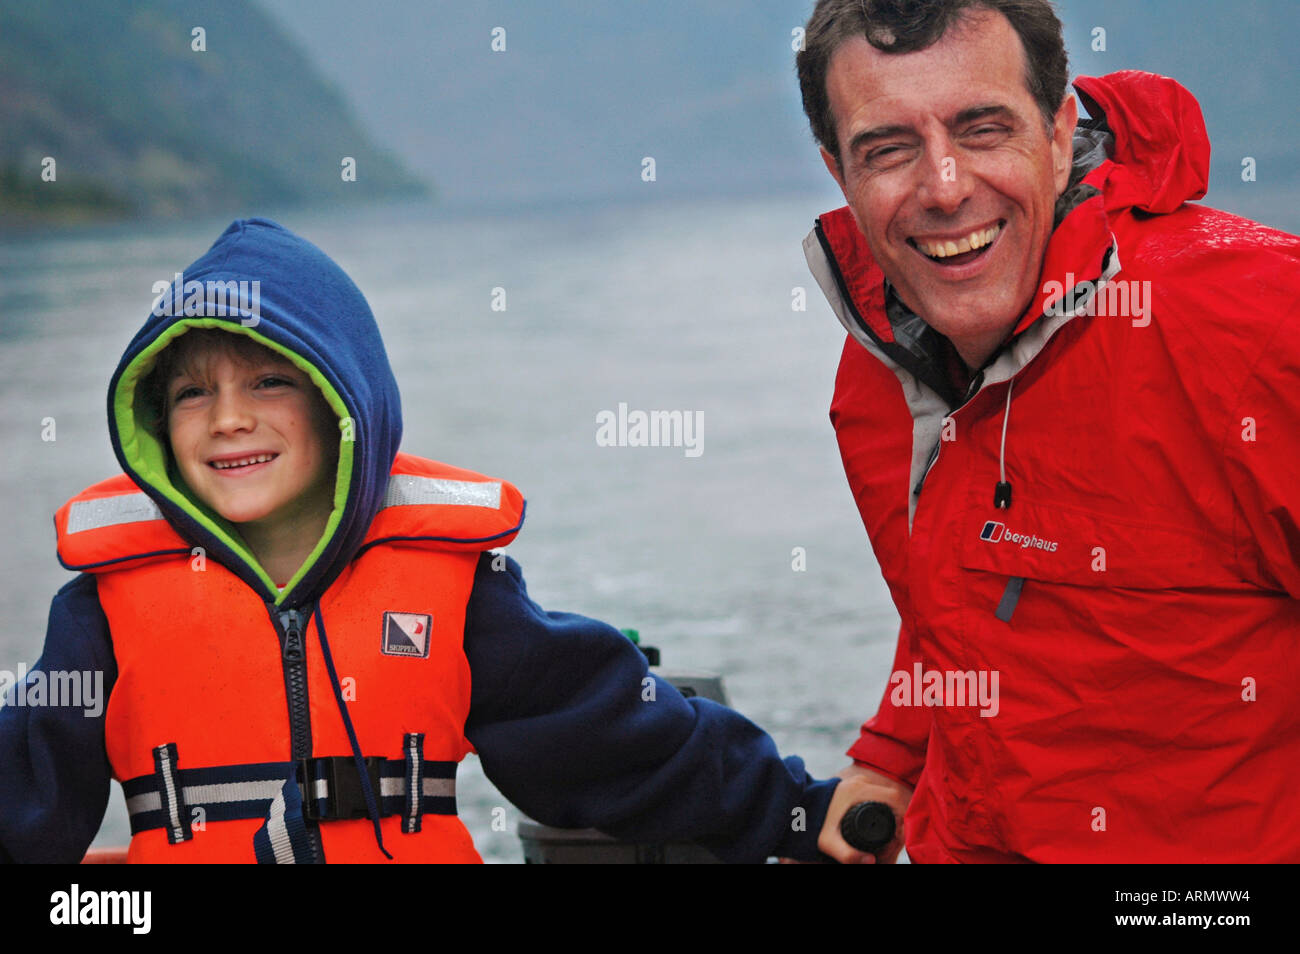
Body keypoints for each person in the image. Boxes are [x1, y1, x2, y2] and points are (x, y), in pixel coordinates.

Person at [0, 217, 872, 864]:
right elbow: (27, 792)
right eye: (192, 392)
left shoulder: (459, 588)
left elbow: (612, 735)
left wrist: (796, 808)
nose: (229, 418)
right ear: (156, 422)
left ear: (343, 403)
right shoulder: (103, 608)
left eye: (269, 379)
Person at [796, 0, 1300, 862]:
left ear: (1061, 133)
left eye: (982, 128)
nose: (945, 187)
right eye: (888, 149)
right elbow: (965, 604)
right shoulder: (890, 367)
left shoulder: (1256, 331)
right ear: (839, 173)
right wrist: (892, 756)